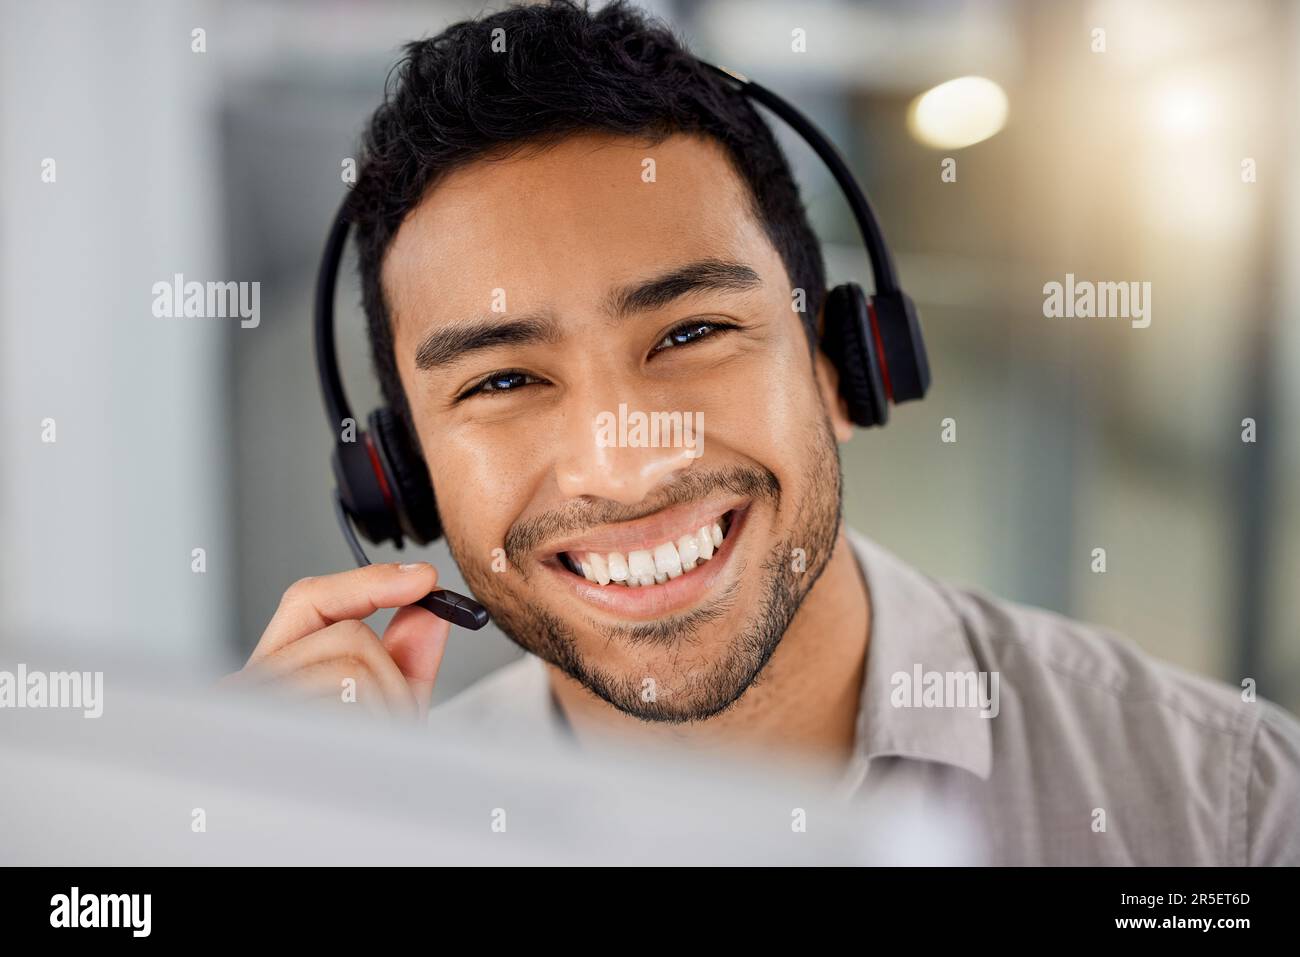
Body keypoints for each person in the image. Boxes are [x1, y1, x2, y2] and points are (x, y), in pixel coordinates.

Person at [224, 0, 1300, 865]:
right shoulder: (370, 834)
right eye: (504, 377)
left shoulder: (1226, 813)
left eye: (691, 330)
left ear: (841, 363)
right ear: (401, 475)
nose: (625, 456)